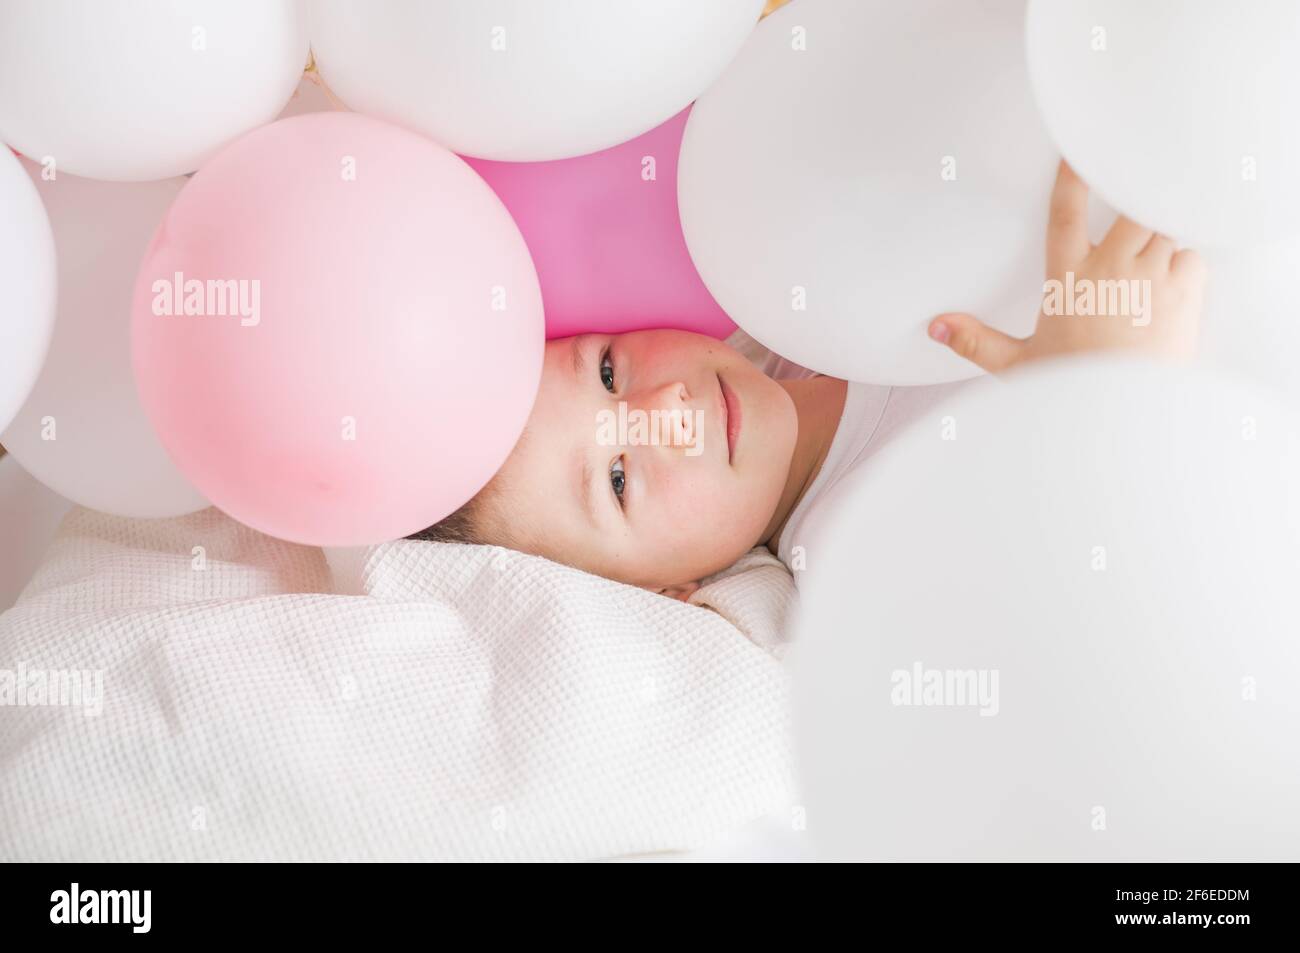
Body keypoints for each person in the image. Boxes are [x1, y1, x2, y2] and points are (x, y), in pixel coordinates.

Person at [410, 161, 1205, 598]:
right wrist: (1105, 400)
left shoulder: (783, 289)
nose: (667, 408)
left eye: (611, 370)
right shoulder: (853, 556)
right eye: (618, 479)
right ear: (666, 594)